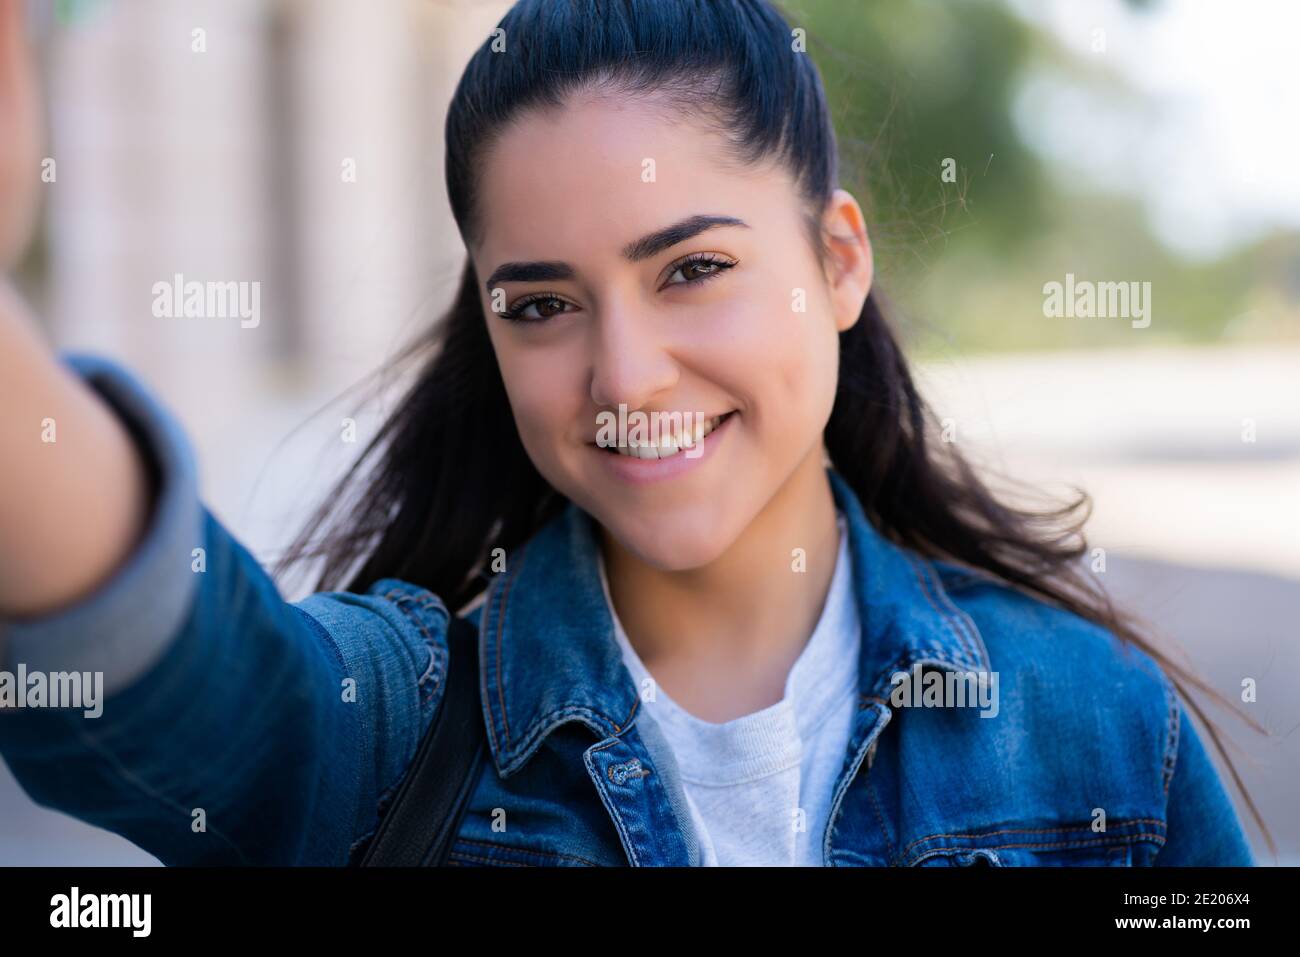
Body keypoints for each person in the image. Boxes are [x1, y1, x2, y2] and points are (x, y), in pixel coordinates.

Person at [0, 0, 1260, 866]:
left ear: (834, 261)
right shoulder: (393, 730)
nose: (623, 372)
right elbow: (175, 674)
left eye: (691, 269)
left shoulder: (1092, 730)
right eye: (541, 304)